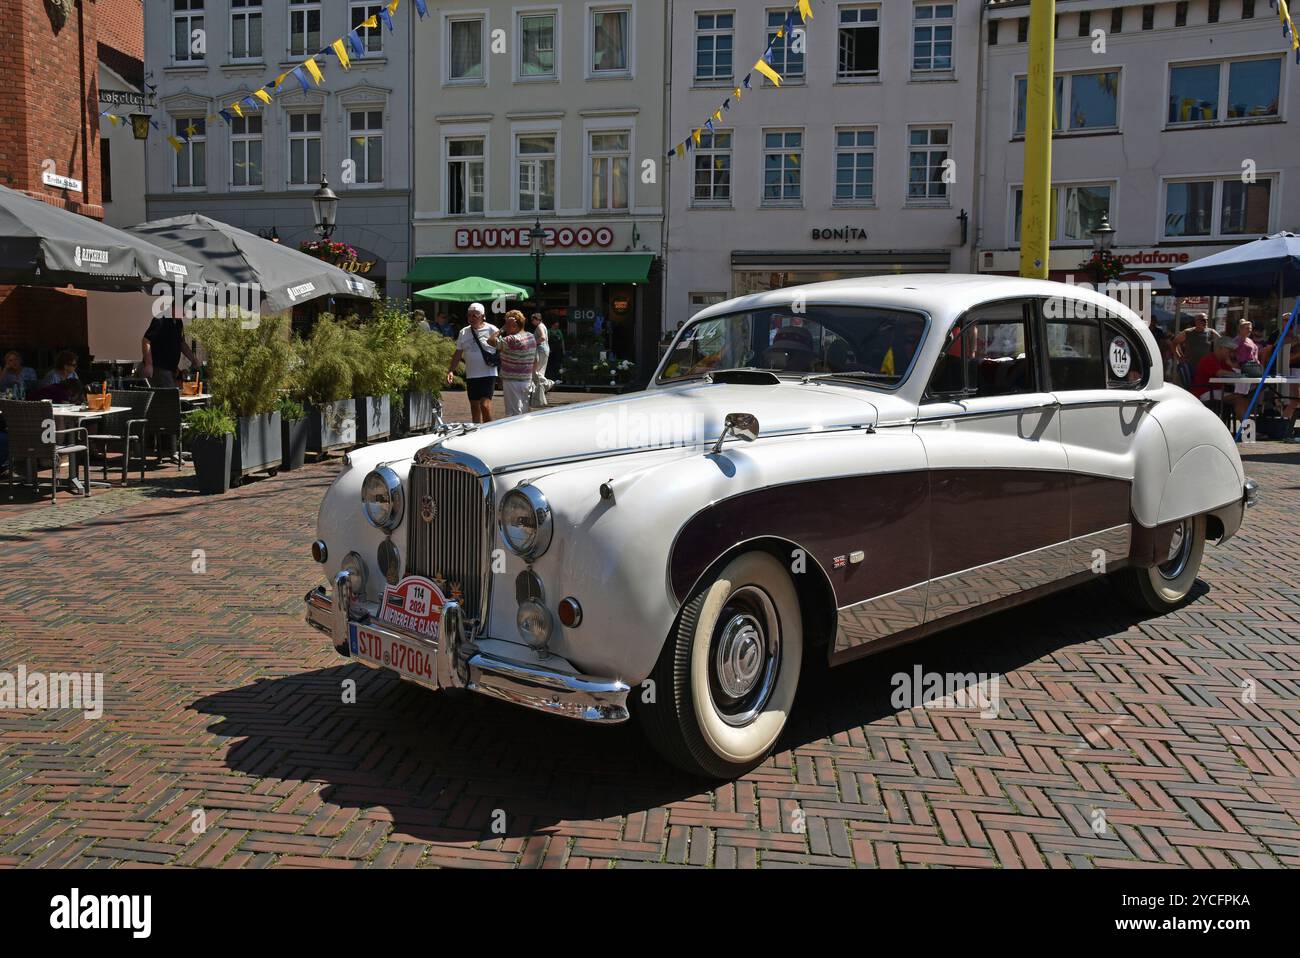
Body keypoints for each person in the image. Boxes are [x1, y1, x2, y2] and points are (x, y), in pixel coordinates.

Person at [446, 302, 499, 423]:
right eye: (469, 315)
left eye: (475, 315)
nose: (472, 318)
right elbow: (458, 353)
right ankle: (477, 431)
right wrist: (451, 370)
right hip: (472, 375)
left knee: (485, 406)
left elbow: (501, 350)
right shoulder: (463, 332)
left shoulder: (492, 329)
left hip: (488, 373)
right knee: (475, 407)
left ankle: (489, 429)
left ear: (483, 316)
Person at [490, 310, 541, 418]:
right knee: (525, 412)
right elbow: (536, 359)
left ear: (513, 325)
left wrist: (502, 329)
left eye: (507, 323)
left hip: (512, 381)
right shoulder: (531, 337)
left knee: (513, 414)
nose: (506, 326)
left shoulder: (511, 339)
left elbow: (490, 340)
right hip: (527, 380)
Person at [1190, 339, 1247, 422]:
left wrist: (1231, 365)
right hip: (1204, 392)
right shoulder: (1209, 359)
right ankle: (1246, 427)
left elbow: (1231, 373)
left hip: (1216, 391)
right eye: (1229, 349)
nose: (1230, 353)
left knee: (1243, 399)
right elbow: (1220, 373)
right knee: (1239, 399)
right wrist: (1238, 374)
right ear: (1220, 348)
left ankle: (1245, 425)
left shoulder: (1222, 361)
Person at [142, 312, 201, 388]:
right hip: (158, 368)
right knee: (171, 393)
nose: (185, 313)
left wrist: (193, 359)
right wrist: (148, 364)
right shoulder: (160, 319)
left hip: (171, 370)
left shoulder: (179, 322)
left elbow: (181, 343)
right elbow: (146, 341)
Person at [1173, 312, 1218, 388]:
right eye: (1202, 320)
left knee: (1202, 388)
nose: (1205, 322)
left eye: (1206, 320)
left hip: (1204, 367)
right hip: (1189, 367)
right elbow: (1174, 343)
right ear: (1196, 321)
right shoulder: (1188, 332)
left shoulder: (1211, 332)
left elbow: (1222, 342)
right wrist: (1178, 357)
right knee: (1188, 388)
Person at [526, 312, 554, 407]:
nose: (532, 322)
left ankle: (548, 383)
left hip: (541, 350)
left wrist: (533, 342)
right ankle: (539, 391)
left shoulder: (539, 327)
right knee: (539, 371)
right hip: (544, 350)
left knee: (536, 371)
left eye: (532, 320)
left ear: (537, 319)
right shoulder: (542, 326)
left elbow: (542, 337)